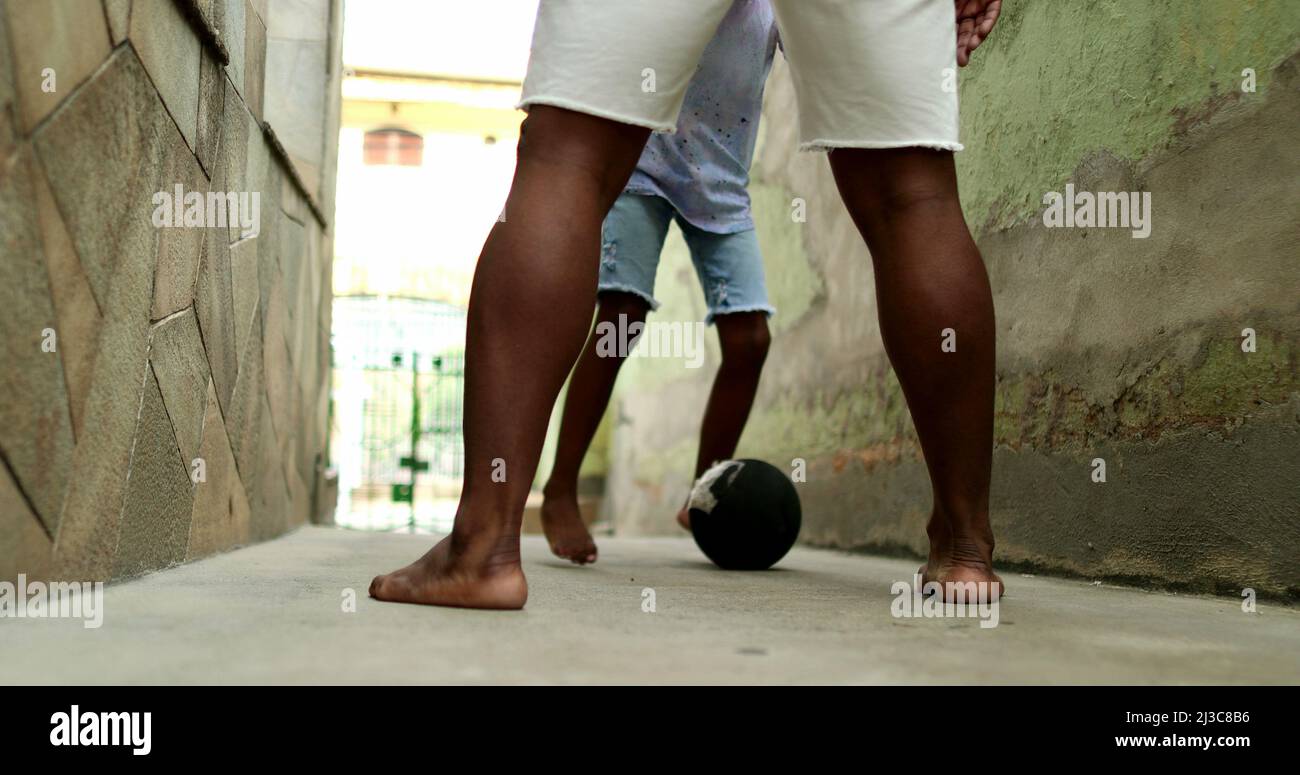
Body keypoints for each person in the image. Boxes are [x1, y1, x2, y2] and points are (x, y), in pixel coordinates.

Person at [370, 0, 1004, 609]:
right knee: (913, 194)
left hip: (720, 191)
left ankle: (481, 549)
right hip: (665, 177)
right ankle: (966, 543)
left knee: (568, 153)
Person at [540, 0, 780, 565]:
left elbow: (838, 43)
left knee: (750, 341)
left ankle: (703, 495)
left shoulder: (779, 10)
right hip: (644, 163)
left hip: (722, 184)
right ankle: (559, 487)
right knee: (621, 318)